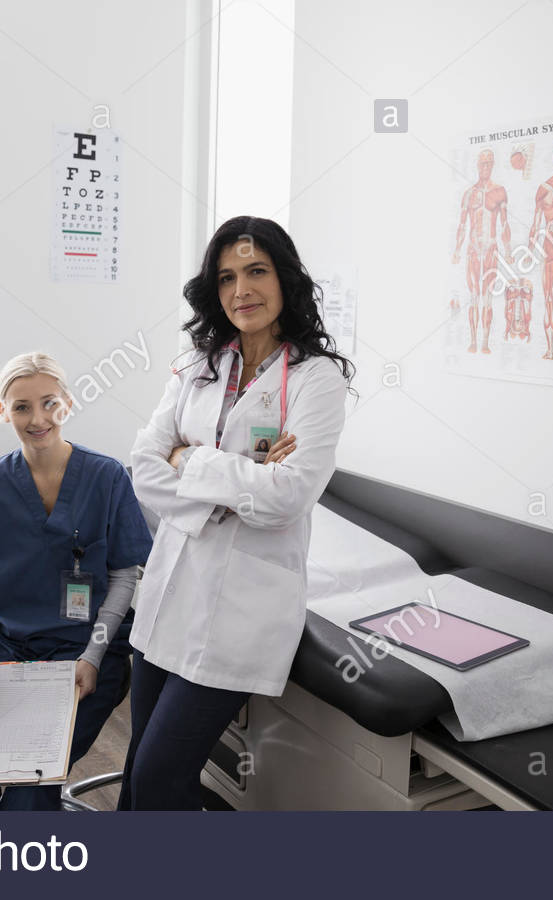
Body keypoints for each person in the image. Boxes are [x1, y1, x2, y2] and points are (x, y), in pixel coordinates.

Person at [119, 216, 354, 810]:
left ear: (286, 279)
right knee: (136, 775)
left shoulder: (314, 378)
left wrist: (191, 459)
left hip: (242, 611)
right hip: (169, 593)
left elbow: (287, 499)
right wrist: (240, 479)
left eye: (256, 271)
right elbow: (142, 469)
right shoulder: (198, 364)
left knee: (159, 780)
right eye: (226, 277)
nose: (240, 290)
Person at [0, 352, 153, 810]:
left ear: (68, 404)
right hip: (4, 650)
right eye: (20, 407)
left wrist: (92, 656)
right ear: (3, 412)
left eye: (49, 403)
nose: (38, 419)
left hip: (81, 652)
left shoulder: (105, 476)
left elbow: (123, 576)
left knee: (27, 793)